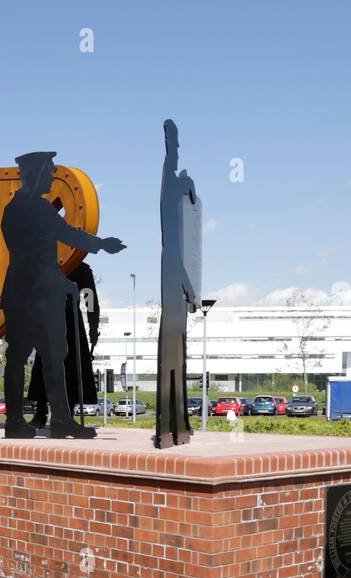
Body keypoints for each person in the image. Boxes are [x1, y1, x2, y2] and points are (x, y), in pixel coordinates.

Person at [0, 151, 124, 439]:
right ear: (35, 173)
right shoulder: (37, 209)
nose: (52, 177)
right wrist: (102, 244)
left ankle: (18, 421)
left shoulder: (13, 209)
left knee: (21, 357)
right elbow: (67, 236)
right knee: (49, 357)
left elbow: (31, 256)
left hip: (20, 294)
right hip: (38, 298)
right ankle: (58, 420)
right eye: (49, 172)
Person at [153, 120, 200, 448]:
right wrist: (172, 139)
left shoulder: (180, 222)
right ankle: (168, 428)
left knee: (179, 357)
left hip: (179, 292)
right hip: (174, 287)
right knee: (171, 356)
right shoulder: (168, 191)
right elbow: (170, 162)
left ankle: (179, 425)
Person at [27, 261, 101, 428]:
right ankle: (40, 413)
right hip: (50, 321)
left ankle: (66, 415)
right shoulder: (47, 266)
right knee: (43, 368)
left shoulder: (81, 269)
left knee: (74, 370)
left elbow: (91, 300)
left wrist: (93, 328)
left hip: (72, 325)